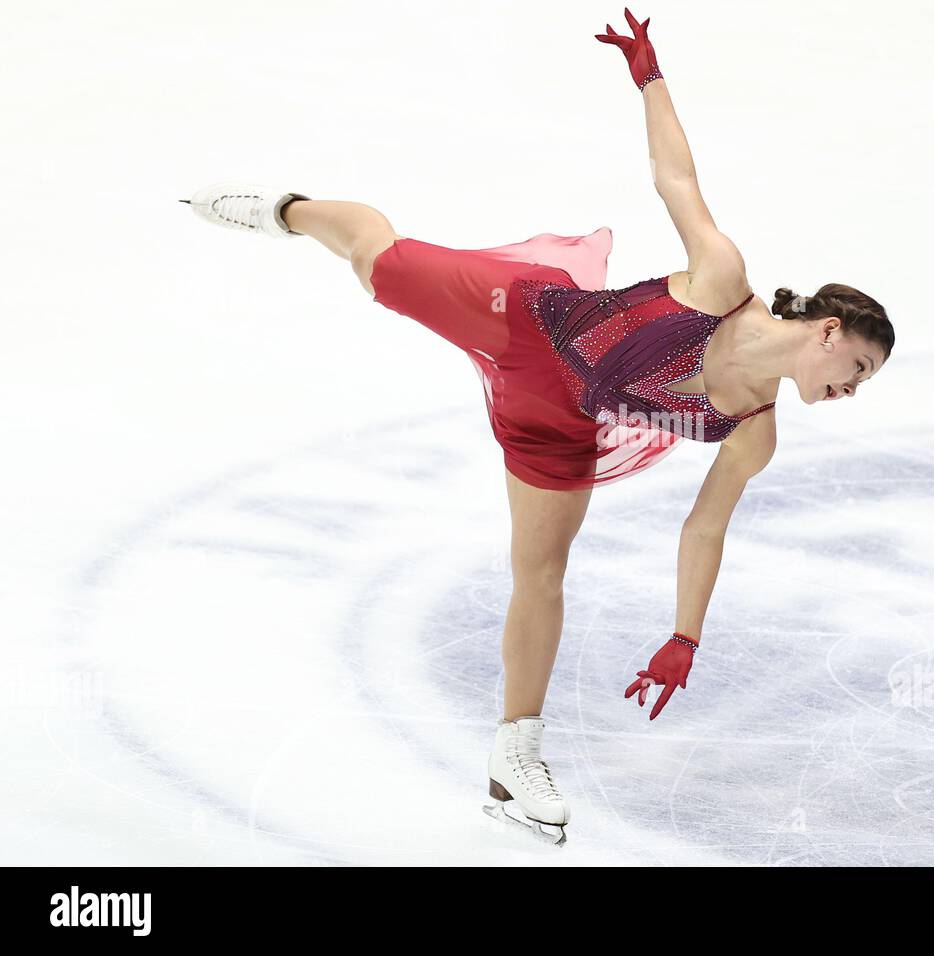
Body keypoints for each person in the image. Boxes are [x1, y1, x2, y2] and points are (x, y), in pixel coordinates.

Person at [180, 7, 895, 845]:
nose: (853, 390)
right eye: (858, 371)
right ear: (828, 333)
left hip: (556, 422)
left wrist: (684, 636)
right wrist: (649, 76)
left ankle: (514, 757)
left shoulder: (757, 430)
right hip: (523, 322)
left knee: (543, 573)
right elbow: (677, 182)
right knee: (376, 259)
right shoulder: (722, 280)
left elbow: (704, 528)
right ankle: (289, 210)